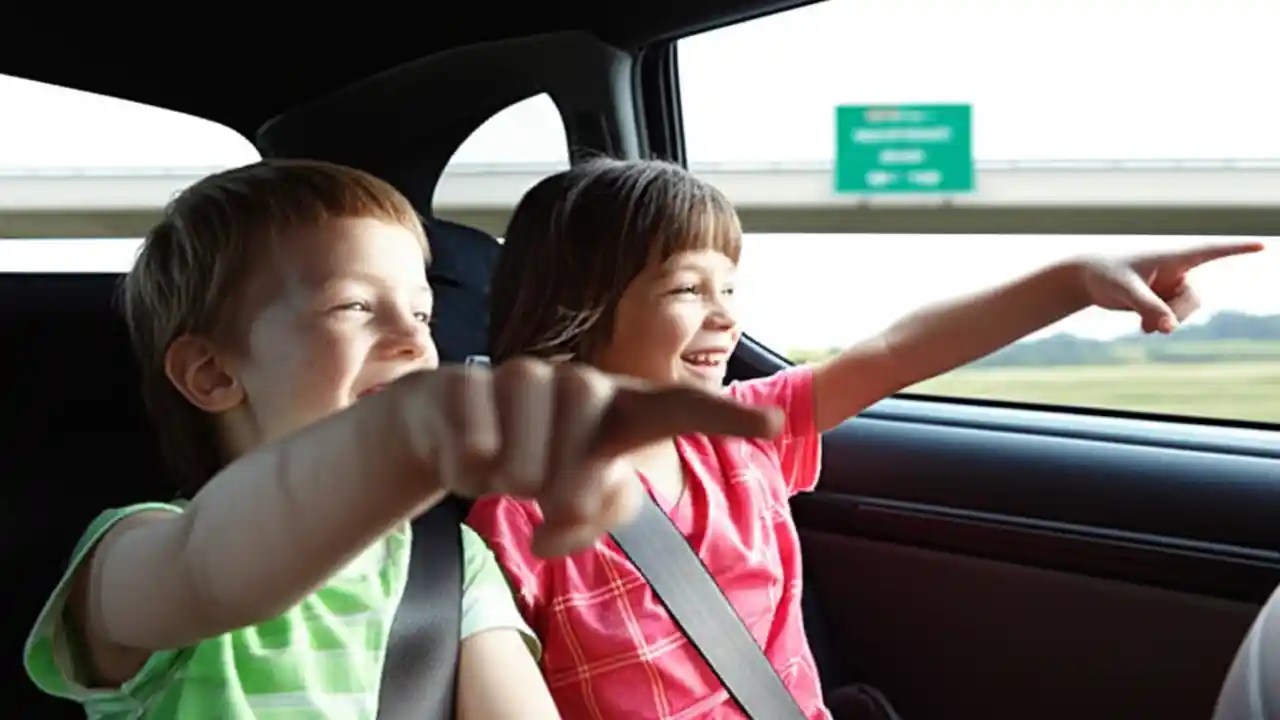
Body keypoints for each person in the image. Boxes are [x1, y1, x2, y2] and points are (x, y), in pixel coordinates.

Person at [465, 157, 1266, 720]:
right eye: (686, 289)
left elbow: (894, 352)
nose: (725, 315)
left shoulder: (742, 437)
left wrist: (1073, 282)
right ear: (581, 305)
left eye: (731, 287)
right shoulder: (514, 518)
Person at [21, 158, 782, 719]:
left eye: (421, 315)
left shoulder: (456, 565)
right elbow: (213, 572)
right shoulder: (140, 547)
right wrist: (404, 439)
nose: (412, 343)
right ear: (215, 374)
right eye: (354, 307)